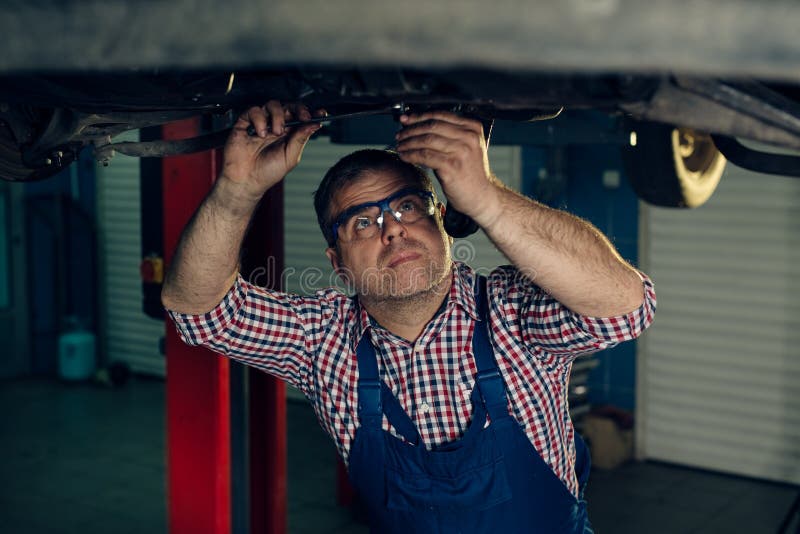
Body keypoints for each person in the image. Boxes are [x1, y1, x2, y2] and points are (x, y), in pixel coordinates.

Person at [162, 101, 656, 533]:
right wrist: (236, 191)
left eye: (407, 207)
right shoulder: (323, 340)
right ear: (337, 262)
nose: (393, 231)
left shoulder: (510, 311)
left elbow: (625, 309)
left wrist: (485, 198)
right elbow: (199, 312)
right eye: (363, 222)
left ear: (441, 219)